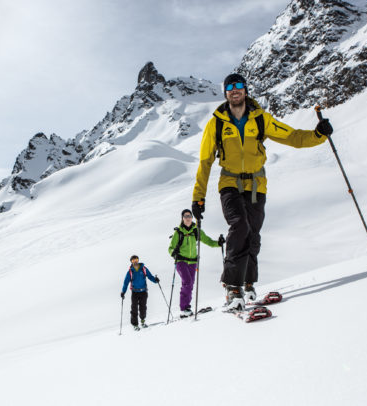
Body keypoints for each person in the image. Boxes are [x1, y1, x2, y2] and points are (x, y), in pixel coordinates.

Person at [191, 73, 333, 309]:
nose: (235, 90)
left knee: (253, 234)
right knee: (239, 225)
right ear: (225, 93)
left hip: (257, 184)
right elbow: (205, 161)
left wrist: (318, 135)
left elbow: (292, 137)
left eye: (239, 86)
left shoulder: (260, 119)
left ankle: (248, 284)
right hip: (229, 183)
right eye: (230, 87)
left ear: (246, 90)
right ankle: (232, 286)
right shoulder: (215, 124)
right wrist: (198, 198)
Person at [168, 209, 224, 317]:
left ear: (192, 218)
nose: (188, 218)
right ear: (182, 218)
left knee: (191, 283)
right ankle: (184, 308)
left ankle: (187, 306)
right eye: (185, 216)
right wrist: (173, 253)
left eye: (189, 216)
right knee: (187, 282)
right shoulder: (178, 232)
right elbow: (170, 248)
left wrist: (219, 243)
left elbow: (208, 241)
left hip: (193, 261)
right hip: (181, 261)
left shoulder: (196, 230)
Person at [121, 255, 159, 331]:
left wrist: (155, 280)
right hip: (135, 292)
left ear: (138, 260)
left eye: (136, 259)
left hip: (143, 292)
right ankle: (135, 324)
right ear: (131, 262)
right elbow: (126, 282)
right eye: (133, 260)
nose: (135, 261)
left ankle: (142, 321)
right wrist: (123, 292)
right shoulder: (130, 271)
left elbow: (150, 276)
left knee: (143, 308)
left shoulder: (143, 269)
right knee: (134, 309)